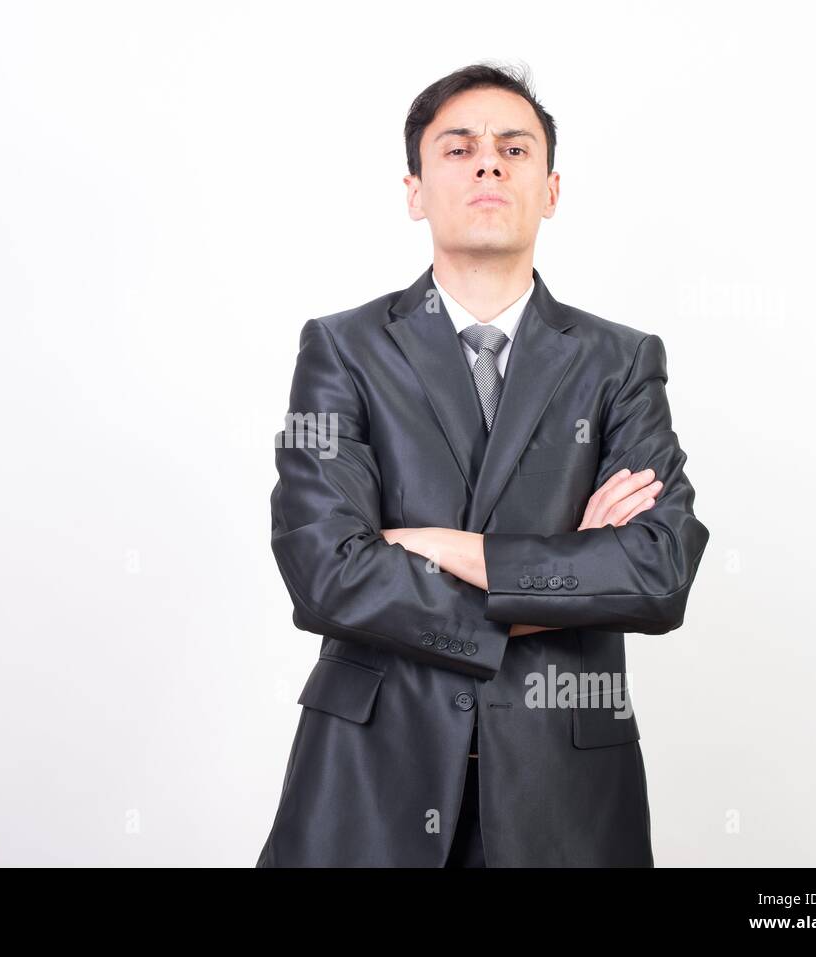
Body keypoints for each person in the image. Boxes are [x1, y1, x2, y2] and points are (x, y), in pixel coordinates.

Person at [257, 62, 710, 867]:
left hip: (562, 792)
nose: (489, 163)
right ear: (415, 190)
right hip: (369, 779)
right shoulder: (339, 351)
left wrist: (431, 546)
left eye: (514, 148)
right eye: (459, 148)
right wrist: (574, 579)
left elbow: (659, 571)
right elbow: (325, 570)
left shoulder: (620, 361)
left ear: (551, 189)